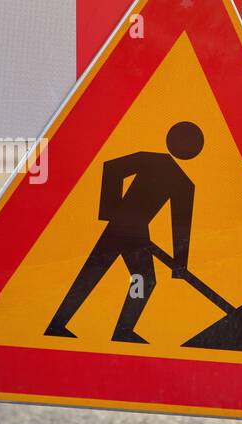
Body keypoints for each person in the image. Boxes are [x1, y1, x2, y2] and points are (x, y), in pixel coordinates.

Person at [44, 121, 202, 343]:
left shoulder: (169, 173)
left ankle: (58, 324)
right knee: (141, 279)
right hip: (131, 230)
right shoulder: (181, 181)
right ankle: (121, 332)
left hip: (129, 229)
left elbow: (180, 225)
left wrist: (180, 264)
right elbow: (112, 168)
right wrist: (179, 265)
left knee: (97, 273)